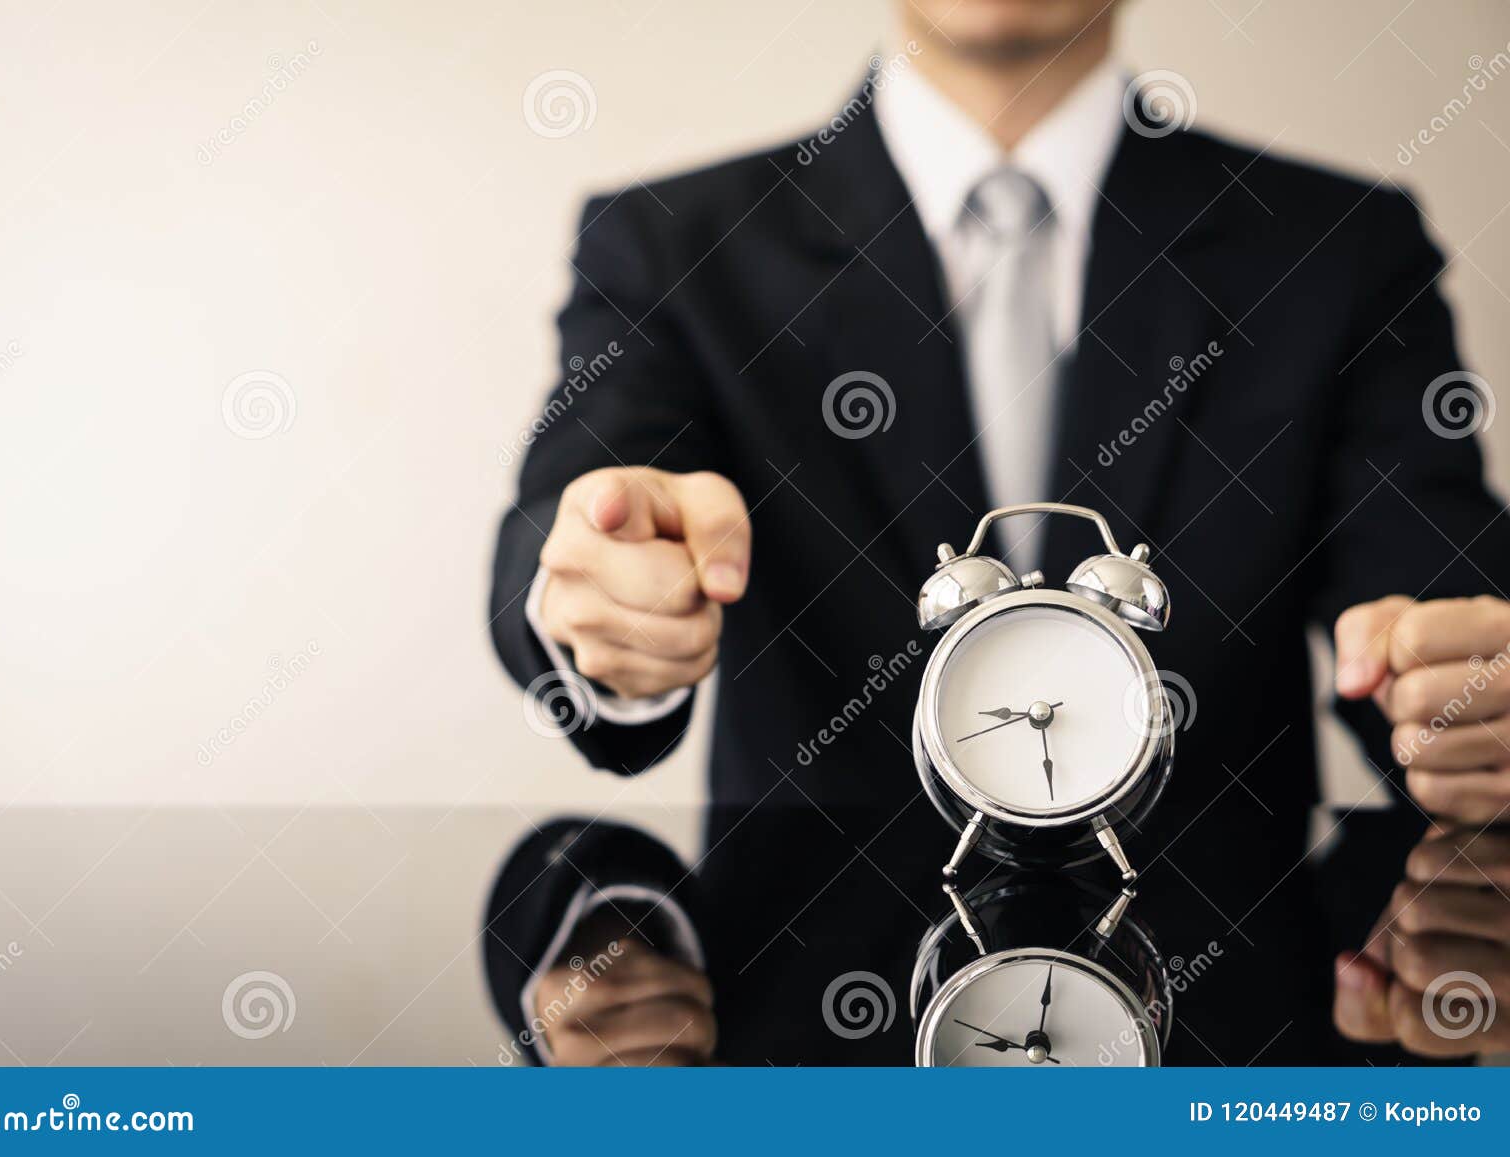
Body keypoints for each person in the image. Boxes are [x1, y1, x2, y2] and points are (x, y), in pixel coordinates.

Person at [488, 0, 1510, 1064]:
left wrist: (1461, 693)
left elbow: (1440, 587)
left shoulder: (1338, 246)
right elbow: (578, 514)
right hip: (809, 1057)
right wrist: (604, 602)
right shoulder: (673, 244)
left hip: (1227, 1048)